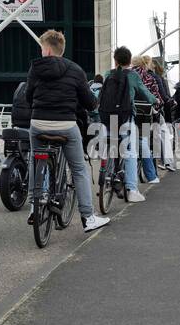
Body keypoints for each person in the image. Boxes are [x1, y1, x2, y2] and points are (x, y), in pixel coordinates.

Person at [24, 30, 110, 233]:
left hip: (38, 123)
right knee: (79, 169)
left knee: (34, 160)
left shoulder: (35, 68)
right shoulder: (75, 70)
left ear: (45, 49)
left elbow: (28, 96)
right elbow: (89, 103)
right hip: (66, 125)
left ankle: (34, 207)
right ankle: (88, 218)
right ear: (61, 49)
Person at [98, 47, 156, 202]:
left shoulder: (108, 74)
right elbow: (146, 94)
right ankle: (131, 190)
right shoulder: (133, 75)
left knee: (109, 146)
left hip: (107, 118)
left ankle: (105, 178)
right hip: (125, 118)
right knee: (130, 153)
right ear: (130, 61)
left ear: (115, 60)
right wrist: (156, 101)